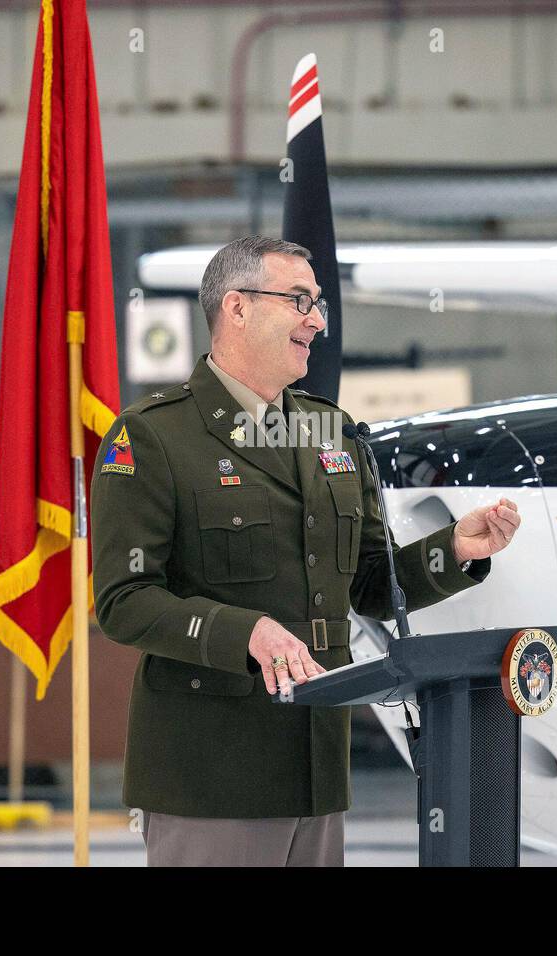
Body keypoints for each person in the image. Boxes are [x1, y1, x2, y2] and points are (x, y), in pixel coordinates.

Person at [91, 235, 521, 866]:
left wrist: (453, 550)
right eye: (298, 301)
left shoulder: (331, 430)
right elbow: (124, 601)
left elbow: (372, 582)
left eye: (317, 303)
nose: (317, 320)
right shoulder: (154, 436)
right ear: (236, 308)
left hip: (316, 765)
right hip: (211, 775)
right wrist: (248, 633)